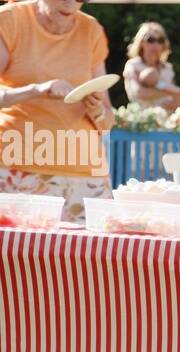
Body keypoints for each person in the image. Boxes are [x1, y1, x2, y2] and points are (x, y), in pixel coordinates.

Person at [0, 0, 113, 222]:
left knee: (91, 256)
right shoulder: (10, 20)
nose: (70, 3)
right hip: (17, 169)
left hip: (86, 176)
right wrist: (37, 90)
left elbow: (108, 119)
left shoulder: (91, 30)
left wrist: (97, 109)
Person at [122, 22, 180, 111]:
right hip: (140, 119)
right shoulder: (133, 65)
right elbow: (140, 92)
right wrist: (171, 92)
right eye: (150, 40)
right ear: (141, 42)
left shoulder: (167, 68)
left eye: (160, 40)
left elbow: (175, 100)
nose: (156, 44)